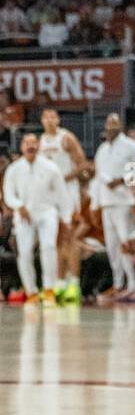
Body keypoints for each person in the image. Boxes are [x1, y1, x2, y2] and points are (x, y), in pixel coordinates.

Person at [4, 132, 66, 305]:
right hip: (23, 214)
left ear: (38, 145)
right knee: (24, 253)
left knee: (48, 247)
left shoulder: (50, 167)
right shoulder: (14, 169)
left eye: (33, 142)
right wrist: (19, 205)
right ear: (22, 146)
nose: (30, 146)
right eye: (26, 143)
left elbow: (61, 193)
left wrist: (65, 216)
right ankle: (31, 292)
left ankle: (49, 290)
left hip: (47, 212)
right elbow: (8, 194)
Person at [91, 113, 135, 303]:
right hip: (107, 203)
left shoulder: (130, 146)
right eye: (109, 123)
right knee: (112, 246)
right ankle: (118, 283)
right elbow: (99, 177)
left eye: (115, 123)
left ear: (120, 125)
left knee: (126, 244)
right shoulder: (103, 149)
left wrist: (122, 181)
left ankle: (133, 284)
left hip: (125, 201)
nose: (111, 126)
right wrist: (96, 203)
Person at [38, 106, 86, 304]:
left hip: (68, 192)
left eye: (52, 116)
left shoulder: (66, 138)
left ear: (58, 120)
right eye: (46, 117)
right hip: (51, 197)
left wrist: (62, 179)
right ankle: (60, 281)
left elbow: (83, 164)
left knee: (71, 237)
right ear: (42, 121)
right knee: (57, 239)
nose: (49, 120)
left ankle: (74, 283)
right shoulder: (40, 142)